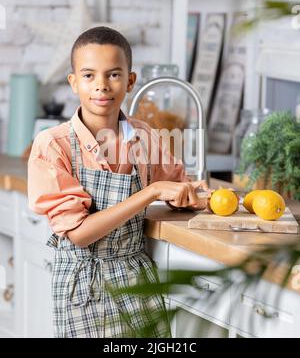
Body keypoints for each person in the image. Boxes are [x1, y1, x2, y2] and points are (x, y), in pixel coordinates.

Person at [27, 26, 209, 338]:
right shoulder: (53, 145)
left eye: (113, 75)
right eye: (88, 76)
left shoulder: (144, 137)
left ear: (130, 81)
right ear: (73, 83)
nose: (101, 86)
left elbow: (179, 185)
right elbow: (80, 234)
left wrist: (196, 197)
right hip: (84, 286)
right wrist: (151, 192)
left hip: (138, 276)